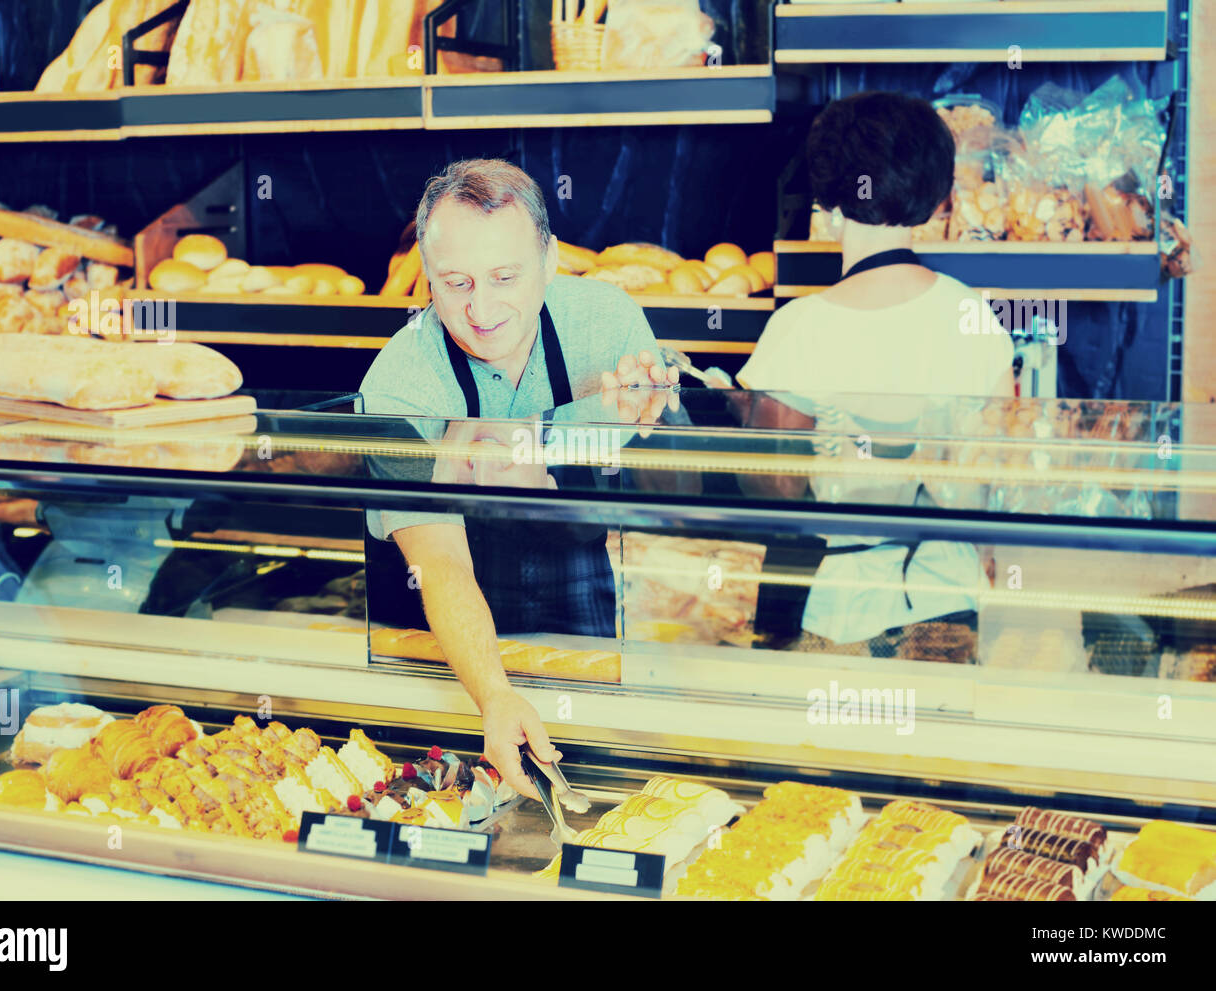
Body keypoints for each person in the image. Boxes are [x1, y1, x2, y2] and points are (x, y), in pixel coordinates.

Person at [358, 159, 677, 798]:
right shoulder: (396, 382)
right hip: (443, 634)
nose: (481, 309)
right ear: (427, 275)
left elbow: (677, 498)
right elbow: (438, 562)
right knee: (450, 808)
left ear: (551, 259)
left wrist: (653, 424)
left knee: (593, 786)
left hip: (577, 591)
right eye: (455, 284)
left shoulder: (608, 324)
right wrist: (495, 697)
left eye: (506, 277)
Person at [735, 91, 1015, 660]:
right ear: (939, 198)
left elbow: (772, 486)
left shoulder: (800, 328)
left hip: (836, 609)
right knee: (933, 752)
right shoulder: (977, 318)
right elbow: (993, 479)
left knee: (829, 752)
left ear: (827, 199)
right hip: (947, 601)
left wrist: (742, 411)